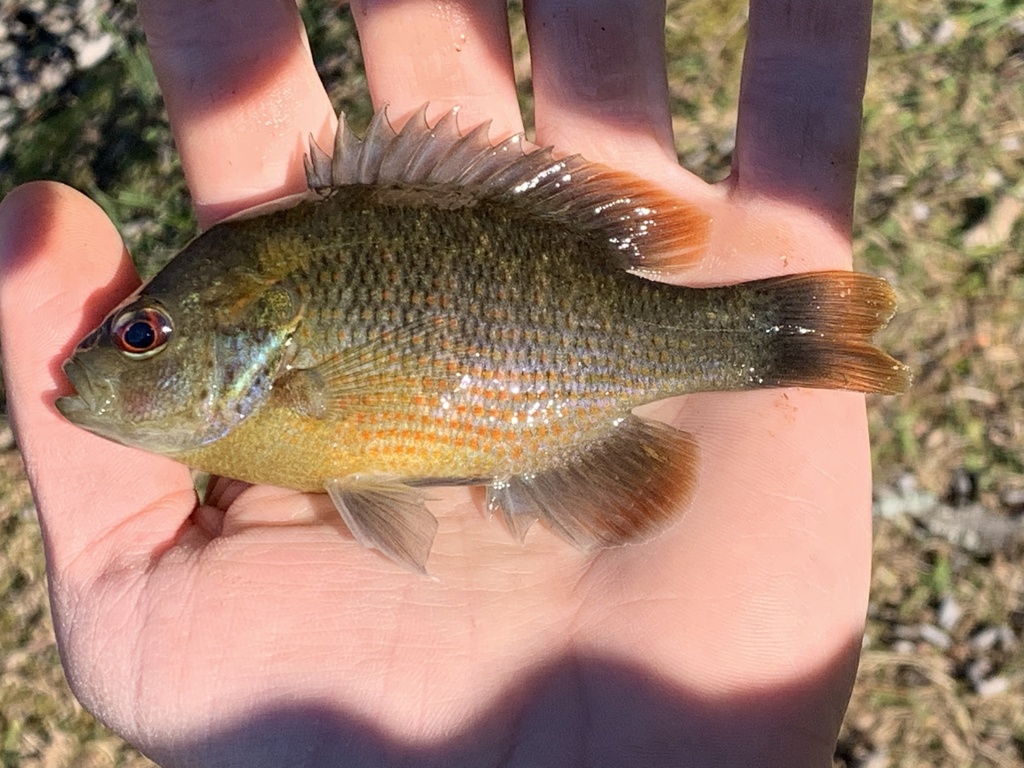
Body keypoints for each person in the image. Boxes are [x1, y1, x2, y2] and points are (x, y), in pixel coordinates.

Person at [0, 0, 878, 765]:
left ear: (255, 330)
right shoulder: (262, 383)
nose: (111, 359)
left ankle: (779, 336)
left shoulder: (272, 387)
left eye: (143, 335)